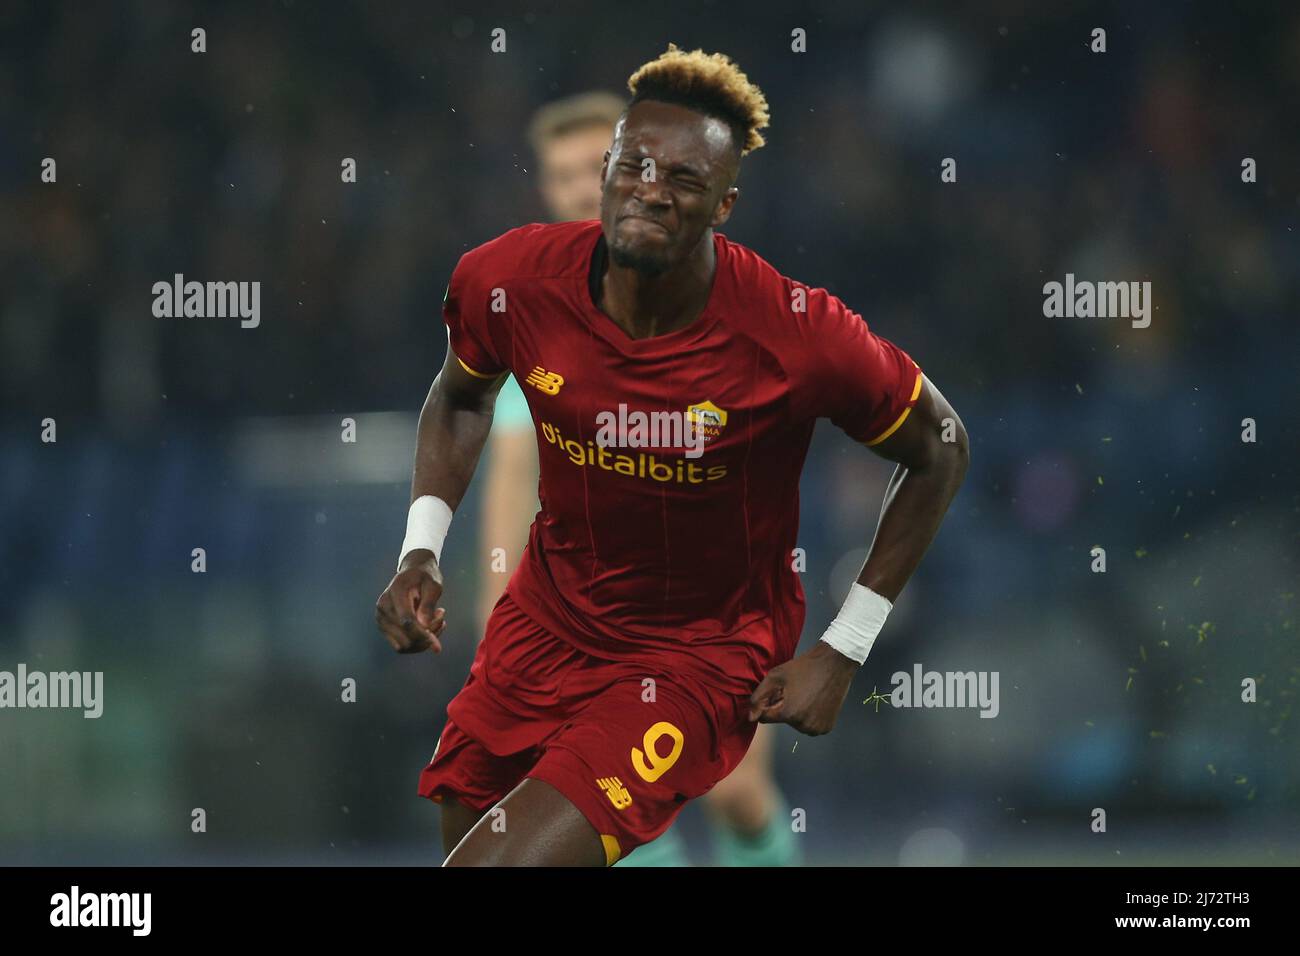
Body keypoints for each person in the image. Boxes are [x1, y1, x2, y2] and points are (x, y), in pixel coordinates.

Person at [374, 43, 969, 867]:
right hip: (545, 626)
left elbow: (941, 446)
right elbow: (462, 394)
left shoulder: (795, 333)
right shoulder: (508, 282)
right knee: (466, 844)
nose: (650, 189)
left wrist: (845, 646)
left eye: (683, 180)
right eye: (634, 166)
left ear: (724, 204)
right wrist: (421, 548)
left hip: (698, 657)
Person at [480, 89, 799, 867]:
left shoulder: (714, 292)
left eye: (602, 167)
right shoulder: (530, 319)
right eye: (563, 176)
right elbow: (511, 480)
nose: (585, 190)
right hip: (589, 612)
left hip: (722, 599)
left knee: (735, 791)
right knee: (604, 804)